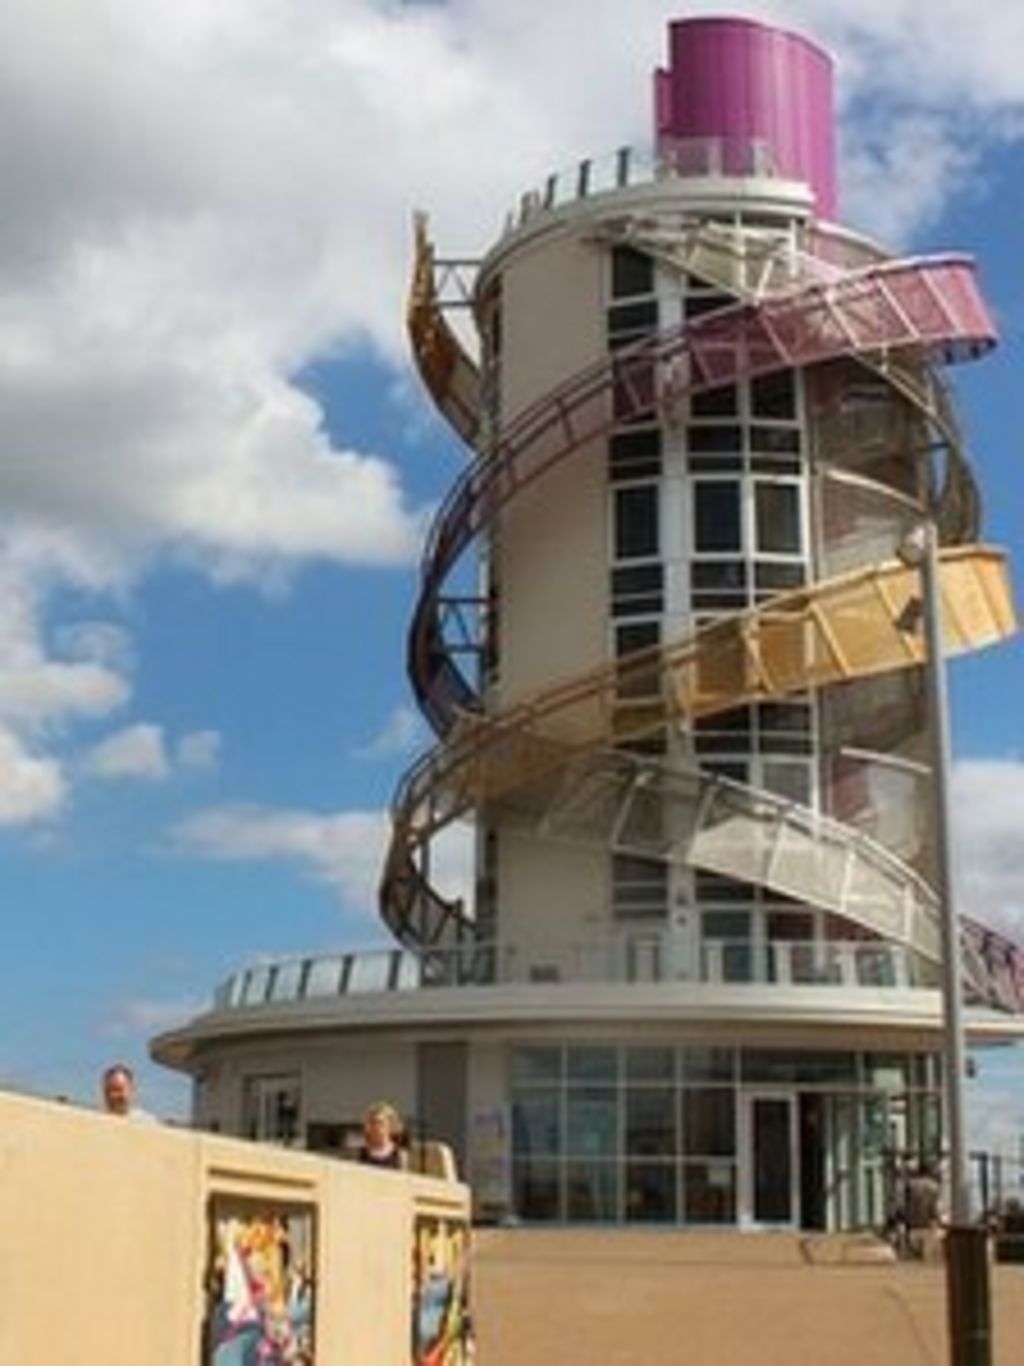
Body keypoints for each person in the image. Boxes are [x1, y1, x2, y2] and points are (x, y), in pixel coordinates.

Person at [904, 1158, 943, 1261]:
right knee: (927, 1258)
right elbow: (934, 1208)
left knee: (913, 1258)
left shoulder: (910, 1185)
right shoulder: (934, 1186)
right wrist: (938, 1220)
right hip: (928, 1224)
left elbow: (905, 1204)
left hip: (912, 1224)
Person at [357, 1101, 406, 1169]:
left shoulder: (399, 1155)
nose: (376, 1127)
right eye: (372, 1123)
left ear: (390, 1126)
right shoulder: (360, 1154)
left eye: (380, 1123)